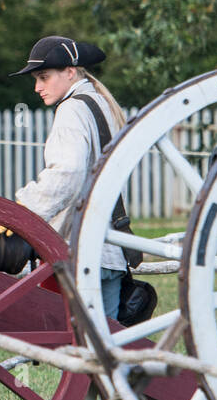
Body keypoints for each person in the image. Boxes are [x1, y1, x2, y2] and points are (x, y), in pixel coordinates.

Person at [9, 35, 131, 319]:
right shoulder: (102, 104)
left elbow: (68, 174)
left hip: (80, 252)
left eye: (43, 77)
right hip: (110, 249)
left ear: (70, 72)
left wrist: (24, 211)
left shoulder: (72, 109)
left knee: (77, 348)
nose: (37, 87)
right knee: (104, 348)